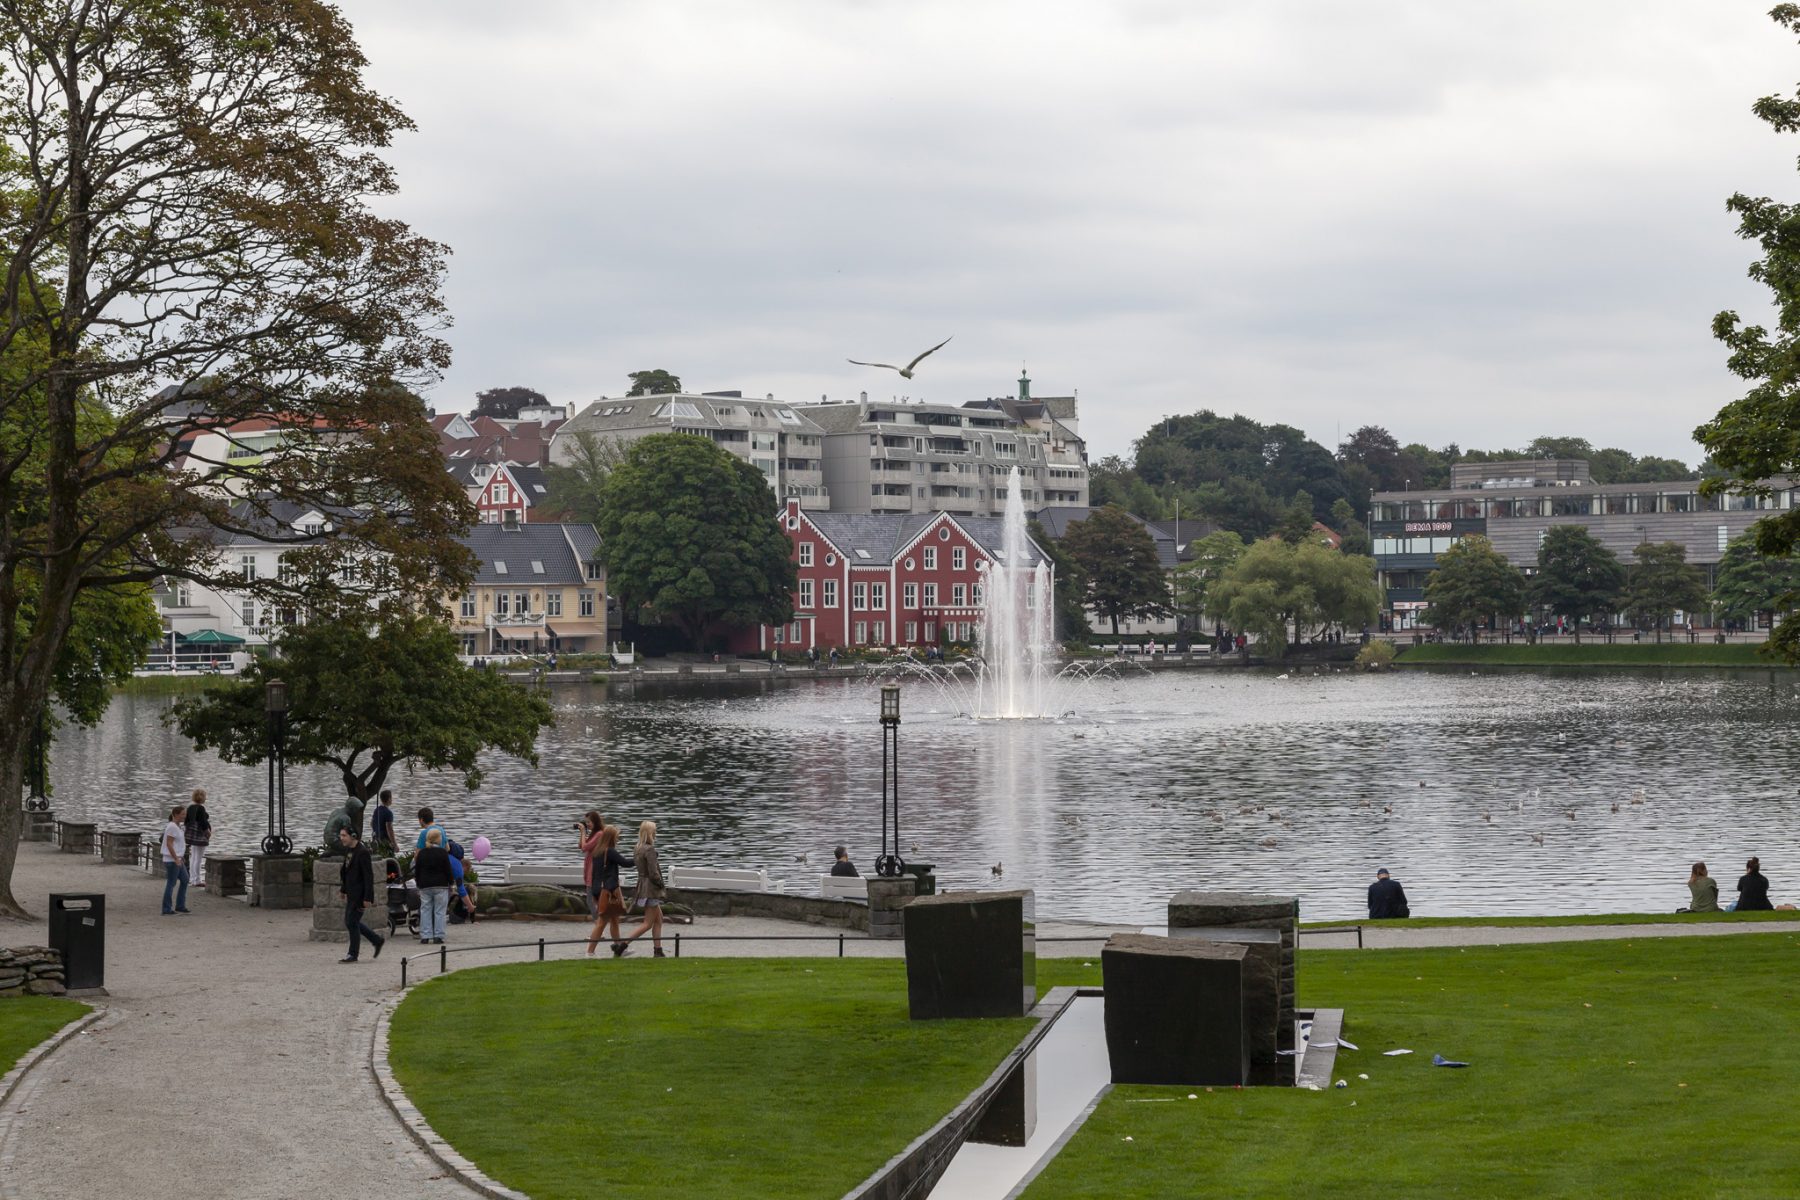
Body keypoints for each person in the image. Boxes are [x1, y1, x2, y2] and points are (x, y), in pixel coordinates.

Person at [336, 826, 385, 962]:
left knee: (351, 922)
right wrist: (343, 889)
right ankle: (376, 940)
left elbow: (368, 877)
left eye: (344, 835)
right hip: (351, 892)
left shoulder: (362, 852)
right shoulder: (350, 851)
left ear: (353, 836)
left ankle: (353, 954)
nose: (341, 838)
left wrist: (368, 897)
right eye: (341, 835)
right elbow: (346, 872)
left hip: (360, 894)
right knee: (352, 921)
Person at [620, 820, 667, 958]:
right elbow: (653, 873)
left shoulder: (638, 848)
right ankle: (622, 946)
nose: (656, 833)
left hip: (642, 886)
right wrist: (660, 884)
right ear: (650, 833)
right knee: (647, 924)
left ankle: (658, 951)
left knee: (659, 919)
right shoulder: (650, 850)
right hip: (651, 889)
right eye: (654, 831)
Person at [586, 825, 635, 957]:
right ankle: (590, 952)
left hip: (598, 889)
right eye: (617, 835)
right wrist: (641, 858)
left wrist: (595, 892)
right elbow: (625, 863)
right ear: (612, 837)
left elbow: (595, 873)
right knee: (602, 922)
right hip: (608, 891)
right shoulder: (610, 851)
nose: (618, 838)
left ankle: (619, 949)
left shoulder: (597, 851)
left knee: (614, 920)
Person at [414, 829, 454, 944]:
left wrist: (418, 883)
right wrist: (451, 882)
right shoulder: (442, 853)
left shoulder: (421, 853)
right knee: (439, 911)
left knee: (425, 910)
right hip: (440, 884)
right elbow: (448, 870)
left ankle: (425, 935)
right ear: (437, 839)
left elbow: (418, 870)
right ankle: (438, 935)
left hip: (425, 885)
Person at [161, 802, 191, 915]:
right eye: (183, 814)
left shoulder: (178, 827)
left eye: (185, 814)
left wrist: (180, 856)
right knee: (171, 883)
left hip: (178, 858)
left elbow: (178, 844)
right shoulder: (172, 827)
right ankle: (166, 908)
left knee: (185, 879)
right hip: (172, 860)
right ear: (175, 814)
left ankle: (180, 905)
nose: (184, 816)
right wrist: (176, 858)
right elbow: (169, 844)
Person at [577, 811, 606, 916]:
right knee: (593, 901)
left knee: (590, 900)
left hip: (594, 871)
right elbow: (581, 846)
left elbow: (585, 848)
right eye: (586, 822)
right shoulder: (594, 833)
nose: (587, 824)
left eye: (589, 822)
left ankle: (599, 923)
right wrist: (582, 833)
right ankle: (599, 924)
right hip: (590, 868)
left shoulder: (599, 834)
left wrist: (584, 832)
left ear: (595, 821)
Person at [183, 789, 211, 891]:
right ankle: (197, 880)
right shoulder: (201, 808)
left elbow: (186, 821)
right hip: (200, 836)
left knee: (193, 857)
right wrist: (208, 832)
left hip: (192, 836)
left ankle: (192, 879)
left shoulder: (190, 807)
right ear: (203, 797)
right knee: (198, 858)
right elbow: (203, 823)